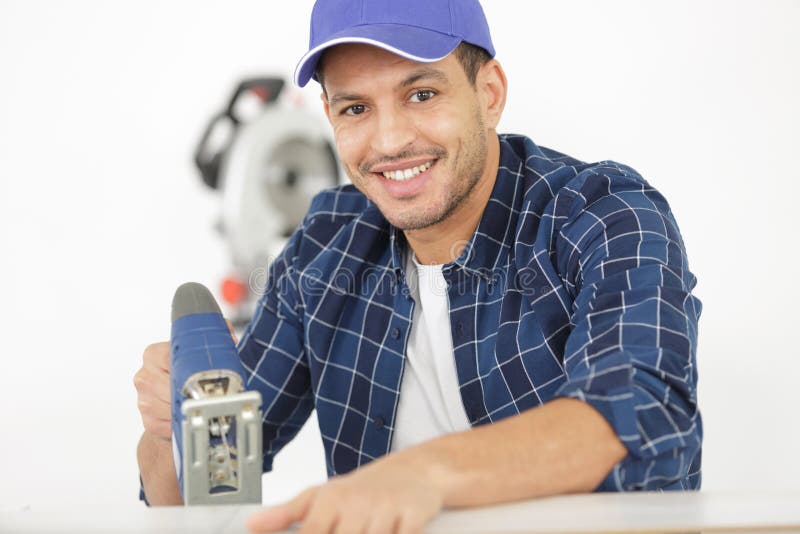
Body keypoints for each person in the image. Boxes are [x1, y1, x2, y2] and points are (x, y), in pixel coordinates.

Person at [134, 0, 703, 532]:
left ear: (489, 93)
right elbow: (202, 492)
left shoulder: (603, 215)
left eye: (422, 95)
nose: (389, 140)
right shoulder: (326, 244)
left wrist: (426, 474)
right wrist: (167, 434)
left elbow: (641, 411)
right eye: (356, 108)